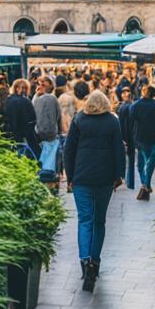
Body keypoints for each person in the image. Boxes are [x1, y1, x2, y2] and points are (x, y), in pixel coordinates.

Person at [62, 90, 124, 293]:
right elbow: (118, 150)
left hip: (82, 177)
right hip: (104, 179)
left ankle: (84, 260)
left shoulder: (79, 119)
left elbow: (68, 150)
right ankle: (94, 262)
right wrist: (118, 176)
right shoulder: (112, 121)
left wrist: (69, 177)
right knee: (99, 221)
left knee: (84, 220)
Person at [129, 85, 155, 201]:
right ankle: (146, 186)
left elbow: (131, 123)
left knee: (142, 165)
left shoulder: (135, 105)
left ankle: (145, 186)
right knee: (149, 164)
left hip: (140, 139)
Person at [33, 77, 63, 178]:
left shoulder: (43, 98)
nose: (40, 86)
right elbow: (58, 116)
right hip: (50, 135)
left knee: (43, 162)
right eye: (39, 84)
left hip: (40, 134)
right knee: (49, 163)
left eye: (43, 85)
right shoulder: (50, 98)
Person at [2, 79, 39, 158]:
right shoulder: (25, 101)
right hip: (24, 134)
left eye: (24, 88)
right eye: (21, 87)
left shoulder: (8, 99)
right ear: (16, 88)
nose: (23, 90)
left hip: (10, 133)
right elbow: (31, 119)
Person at [115, 86, 136, 190]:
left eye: (126, 92)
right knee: (130, 160)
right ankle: (129, 182)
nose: (124, 94)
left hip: (126, 137)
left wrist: (124, 138)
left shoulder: (124, 107)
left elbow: (124, 125)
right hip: (130, 137)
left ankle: (126, 181)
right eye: (123, 93)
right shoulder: (128, 106)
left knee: (126, 159)